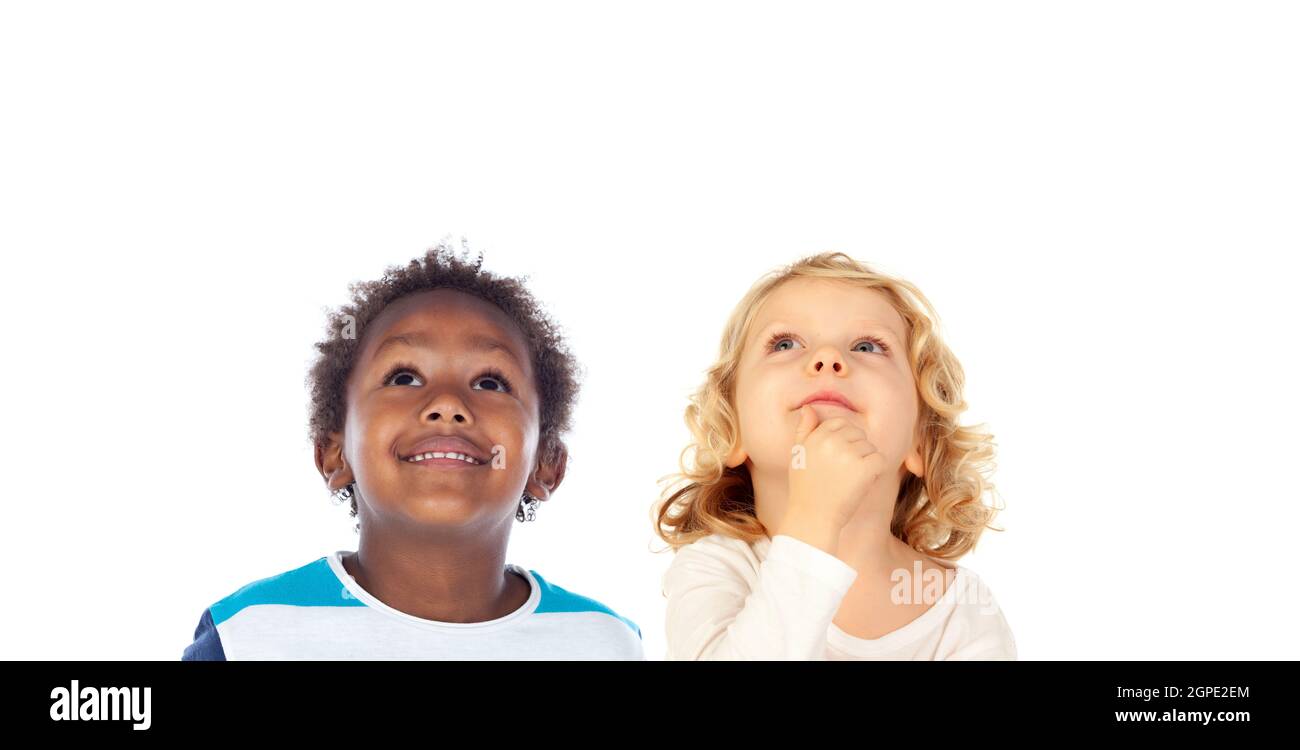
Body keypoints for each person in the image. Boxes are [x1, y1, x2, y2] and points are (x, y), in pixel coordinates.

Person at [183, 241, 643, 659]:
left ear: (547, 465)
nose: (447, 404)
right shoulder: (246, 636)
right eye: (403, 377)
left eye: (490, 382)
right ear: (333, 453)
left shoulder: (604, 641)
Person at [656, 252, 1016, 660]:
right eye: (785, 343)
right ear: (732, 431)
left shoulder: (961, 610)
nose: (827, 359)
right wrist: (815, 520)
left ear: (920, 440)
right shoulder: (713, 570)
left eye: (867, 346)